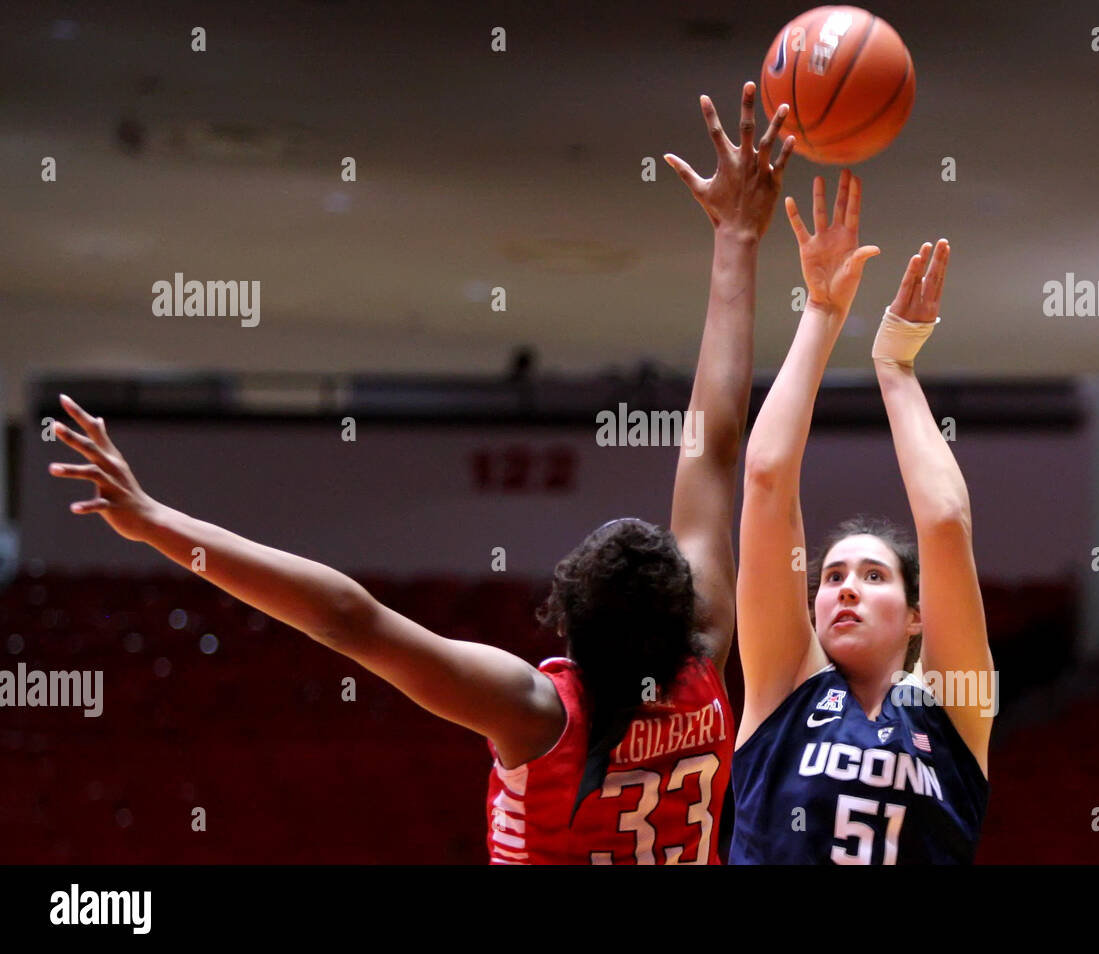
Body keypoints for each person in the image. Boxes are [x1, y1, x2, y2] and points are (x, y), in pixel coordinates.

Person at [47, 83, 793, 865]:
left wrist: (153, 520)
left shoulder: (537, 712)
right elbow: (713, 448)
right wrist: (740, 238)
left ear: (565, 620)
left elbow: (347, 617)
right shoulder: (702, 666)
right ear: (684, 614)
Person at [729, 169, 993, 864]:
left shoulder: (956, 709)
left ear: (916, 615)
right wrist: (820, 315)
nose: (844, 585)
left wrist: (897, 365)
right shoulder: (784, 684)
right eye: (833, 575)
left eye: (874, 575)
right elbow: (764, 479)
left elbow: (942, 523)